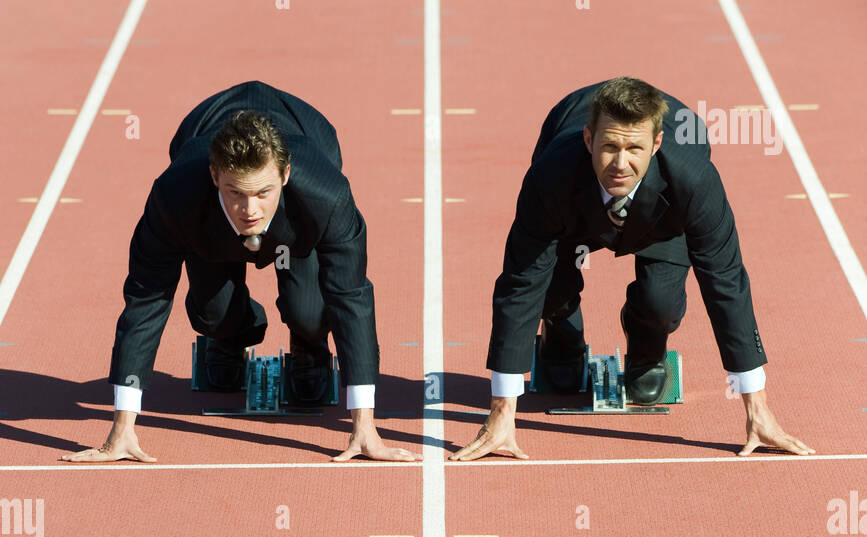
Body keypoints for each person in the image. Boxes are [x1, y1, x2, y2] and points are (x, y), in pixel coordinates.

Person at [449, 76, 814, 461]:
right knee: (548, 290)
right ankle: (560, 334)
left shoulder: (693, 179)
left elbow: (725, 279)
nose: (621, 164)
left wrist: (758, 409)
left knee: (662, 303)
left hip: (661, 219)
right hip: (574, 209)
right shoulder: (551, 175)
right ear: (588, 139)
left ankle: (646, 348)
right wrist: (502, 413)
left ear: (656, 145)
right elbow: (521, 281)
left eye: (634, 148)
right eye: (609, 146)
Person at [60, 79, 420, 464]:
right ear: (215, 176)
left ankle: (309, 347)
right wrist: (121, 428)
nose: (250, 209)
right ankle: (232, 337)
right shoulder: (175, 198)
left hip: (296, 207)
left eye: (262, 192)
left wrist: (365, 426)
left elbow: (351, 296)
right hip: (207, 211)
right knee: (212, 313)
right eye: (236, 193)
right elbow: (147, 298)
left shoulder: (326, 198)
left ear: (284, 175)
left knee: (312, 312)